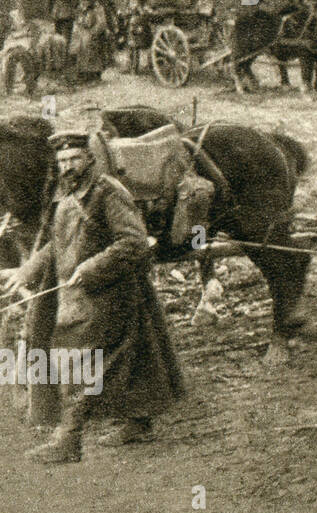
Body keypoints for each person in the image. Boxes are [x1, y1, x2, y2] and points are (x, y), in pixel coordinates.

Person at [1, 131, 185, 464]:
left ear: (89, 159)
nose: (67, 167)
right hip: (79, 294)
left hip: (107, 292)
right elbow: (57, 245)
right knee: (127, 357)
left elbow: (134, 243)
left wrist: (90, 267)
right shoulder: (67, 195)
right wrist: (27, 270)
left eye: (73, 159)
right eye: (61, 161)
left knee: (75, 360)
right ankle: (138, 422)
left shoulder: (108, 193)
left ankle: (68, 439)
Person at [70, 0, 112, 81]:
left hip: (92, 33)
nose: (86, 2)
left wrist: (94, 32)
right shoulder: (80, 9)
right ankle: (83, 73)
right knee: (80, 52)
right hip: (81, 33)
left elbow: (101, 22)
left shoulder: (97, 9)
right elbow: (77, 21)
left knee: (93, 53)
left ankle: (95, 73)